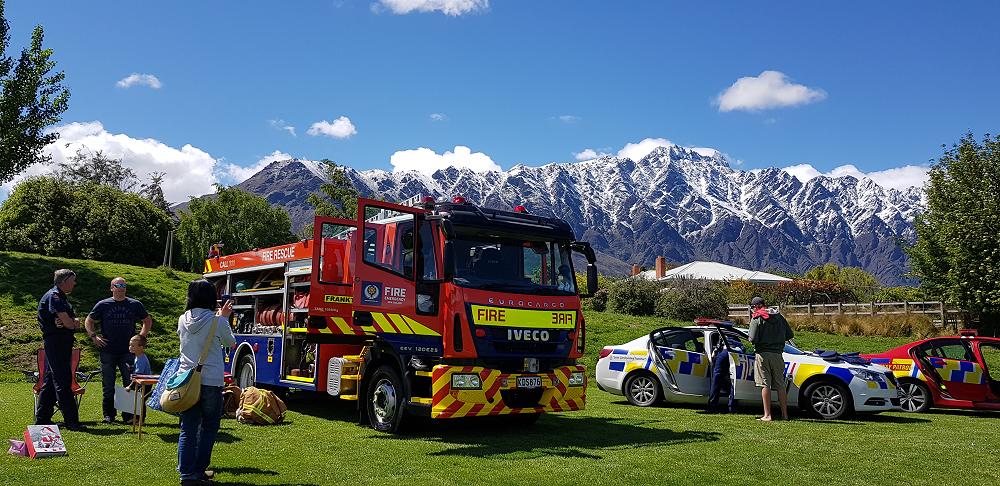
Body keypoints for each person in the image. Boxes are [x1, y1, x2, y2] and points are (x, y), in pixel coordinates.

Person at [176, 279, 236, 486]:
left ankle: (186, 474)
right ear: (212, 298)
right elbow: (231, 343)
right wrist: (224, 318)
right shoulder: (217, 321)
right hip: (211, 380)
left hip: (186, 379)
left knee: (188, 428)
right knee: (209, 426)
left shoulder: (182, 319)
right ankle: (199, 471)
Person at [85, 277, 152, 424]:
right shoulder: (103, 304)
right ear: (111, 288)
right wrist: (94, 336)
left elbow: (147, 320)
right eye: (118, 285)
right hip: (107, 350)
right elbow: (88, 320)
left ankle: (129, 416)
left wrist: (140, 337)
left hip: (128, 352)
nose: (121, 287)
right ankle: (109, 415)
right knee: (108, 385)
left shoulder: (135, 304)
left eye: (123, 285)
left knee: (130, 383)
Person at [35, 269, 85, 431]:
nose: (75, 283)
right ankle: (72, 422)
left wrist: (71, 321)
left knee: (50, 381)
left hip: (59, 342)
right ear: (63, 282)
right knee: (63, 380)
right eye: (73, 280)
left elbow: (71, 322)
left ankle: (42, 419)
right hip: (57, 342)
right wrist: (71, 322)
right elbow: (71, 324)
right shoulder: (54, 297)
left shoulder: (60, 297)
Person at [748, 296, 794, 421]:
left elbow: (751, 338)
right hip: (778, 354)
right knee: (780, 385)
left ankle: (767, 415)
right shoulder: (779, 317)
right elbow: (790, 335)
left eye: (752, 307)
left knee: (765, 384)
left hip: (763, 354)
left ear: (756, 306)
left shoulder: (757, 318)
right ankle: (785, 415)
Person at [707, 337, 737, 413]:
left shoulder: (723, 331)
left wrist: (715, 351)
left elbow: (720, 341)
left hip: (724, 351)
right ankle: (731, 406)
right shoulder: (734, 333)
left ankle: (712, 405)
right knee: (734, 380)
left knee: (717, 378)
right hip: (735, 353)